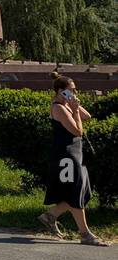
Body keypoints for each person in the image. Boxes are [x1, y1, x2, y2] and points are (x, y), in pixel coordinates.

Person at [38, 75, 108, 246]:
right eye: (72, 89)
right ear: (61, 91)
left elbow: (87, 116)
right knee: (74, 192)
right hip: (66, 157)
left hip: (75, 155)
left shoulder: (66, 105)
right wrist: (74, 110)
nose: (75, 92)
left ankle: (50, 216)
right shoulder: (59, 109)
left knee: (81, 192)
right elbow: (78, 132)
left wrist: (74, 103)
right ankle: (85, 234)